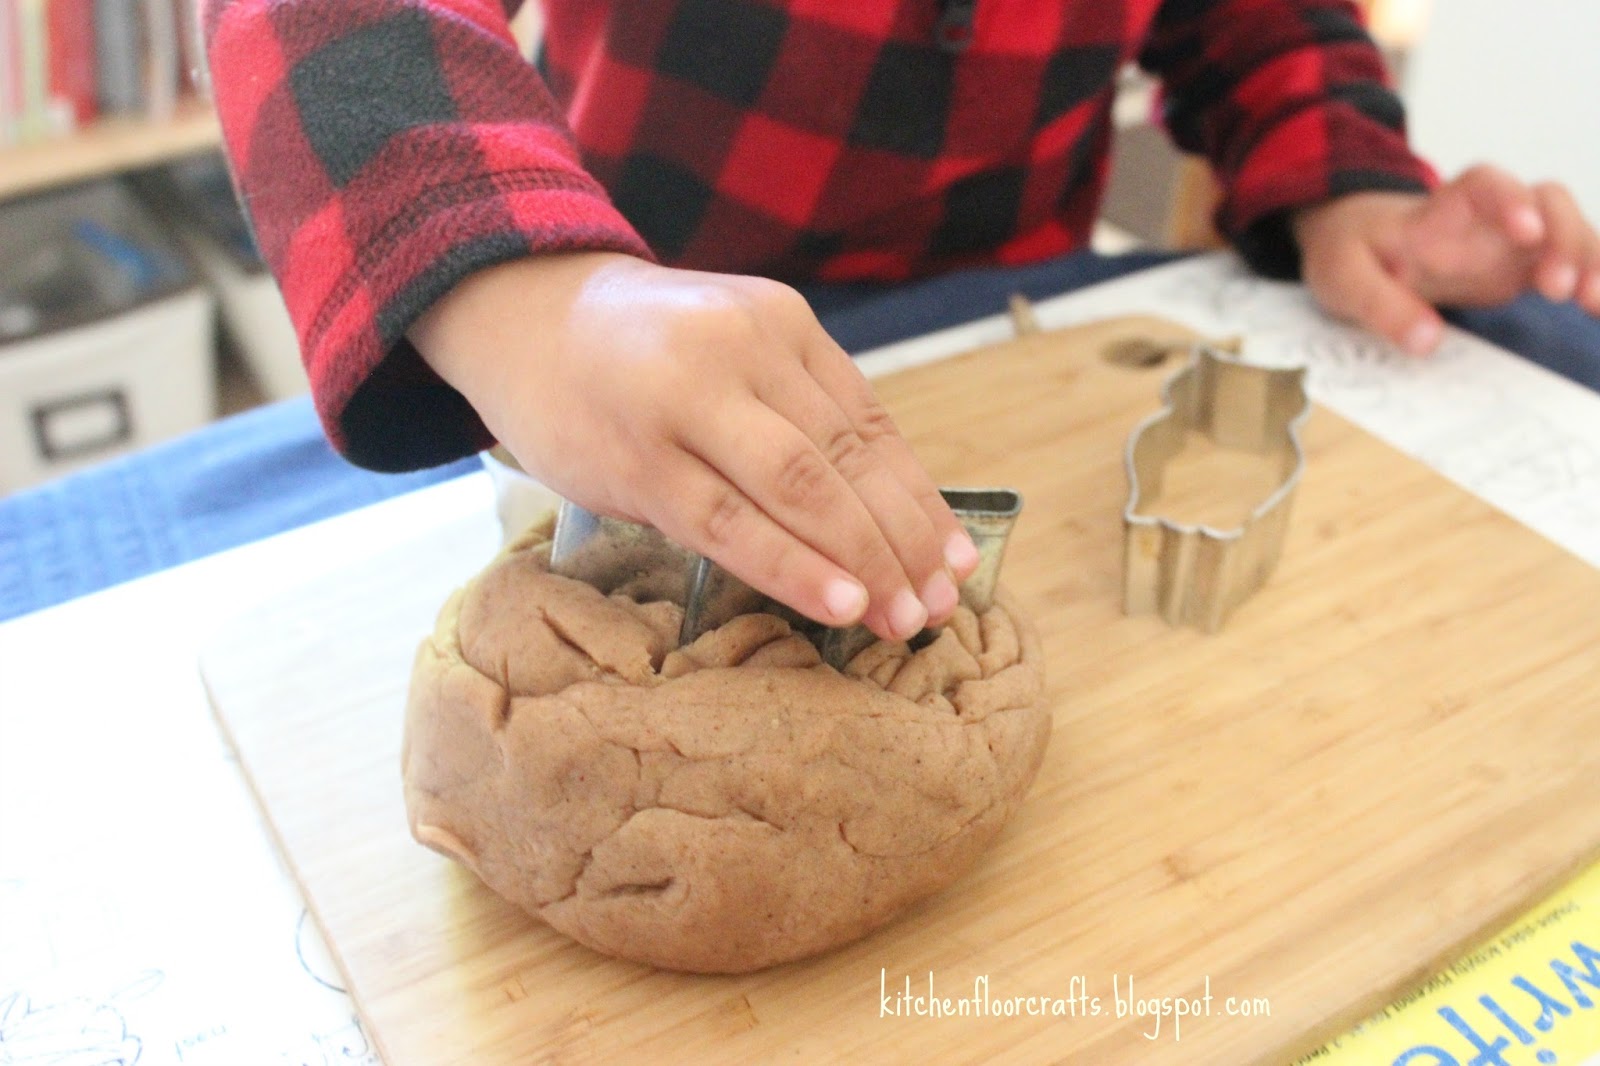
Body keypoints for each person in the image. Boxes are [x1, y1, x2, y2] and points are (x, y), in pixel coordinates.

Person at [202, 0, 1599, 644]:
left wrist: (1344, 185)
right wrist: (521, 289)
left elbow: (1261, 20)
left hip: (1016, 318)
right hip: (630, 324)